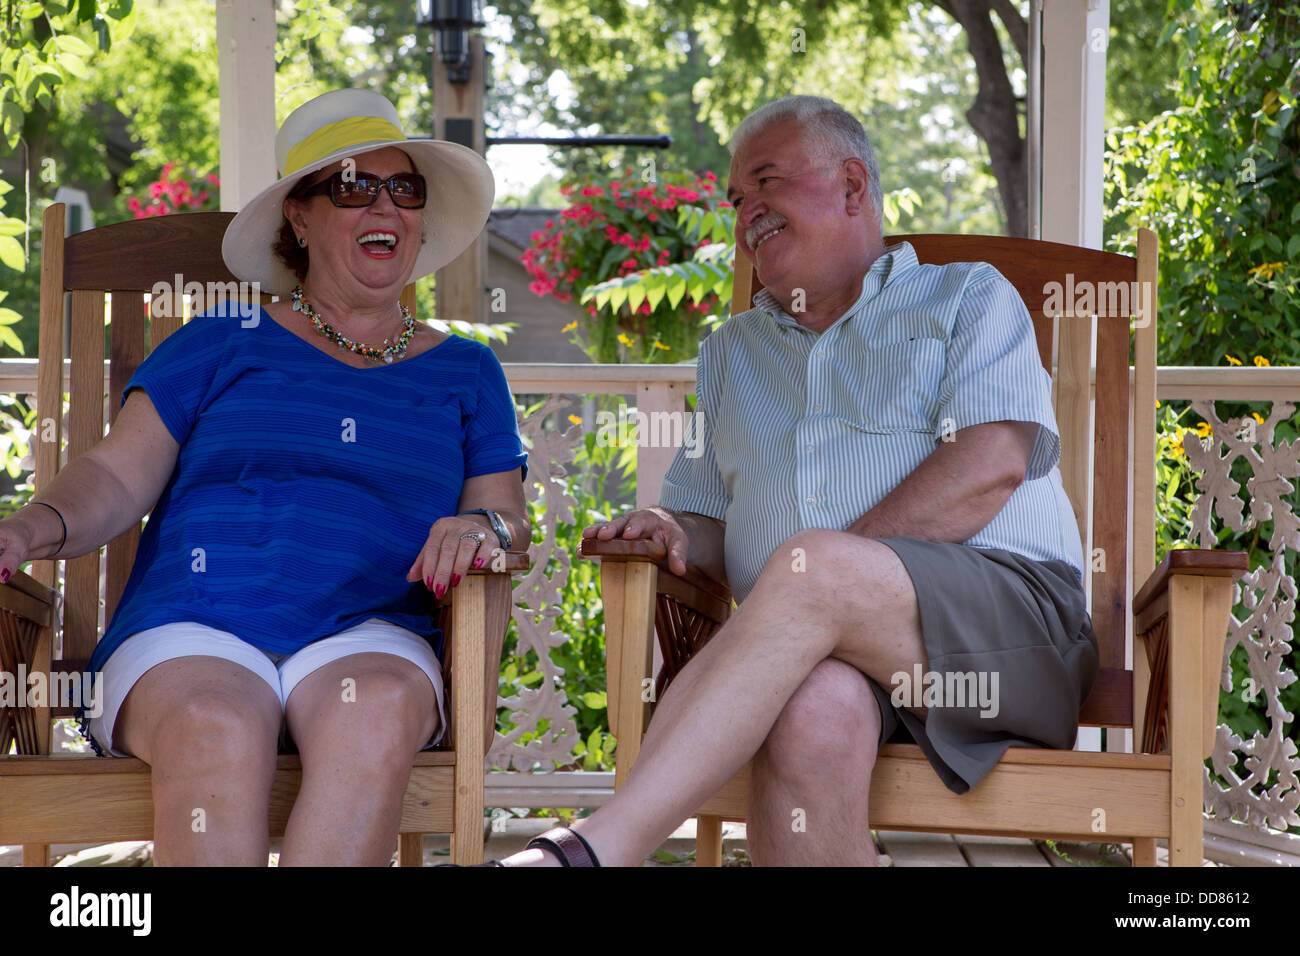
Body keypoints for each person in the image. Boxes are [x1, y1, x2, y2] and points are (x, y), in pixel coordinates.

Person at [491, 95, 1098, 867]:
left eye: (767, 183)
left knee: (815, 570)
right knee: (810, 712)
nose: (747, 213)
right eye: (737, 199)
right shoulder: (731, 354)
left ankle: (595, 851)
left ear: (852, 186)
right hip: (832, 658)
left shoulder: (967, 296)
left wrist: (815, 582)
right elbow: (708, 517)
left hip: (1009, 636)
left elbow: (992, 465)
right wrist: (676, 529)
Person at [0, 89, 531, 866]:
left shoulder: (467, 372)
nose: (385, 202)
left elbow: (506, 517)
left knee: (376, 710)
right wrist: (27, 526)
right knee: (215, 720)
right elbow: (117, 476)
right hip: (195, 628)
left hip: (371, 633)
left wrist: (481, 527)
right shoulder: (223, 337)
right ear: (300, 218)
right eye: (353, 185)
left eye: (404, 188)